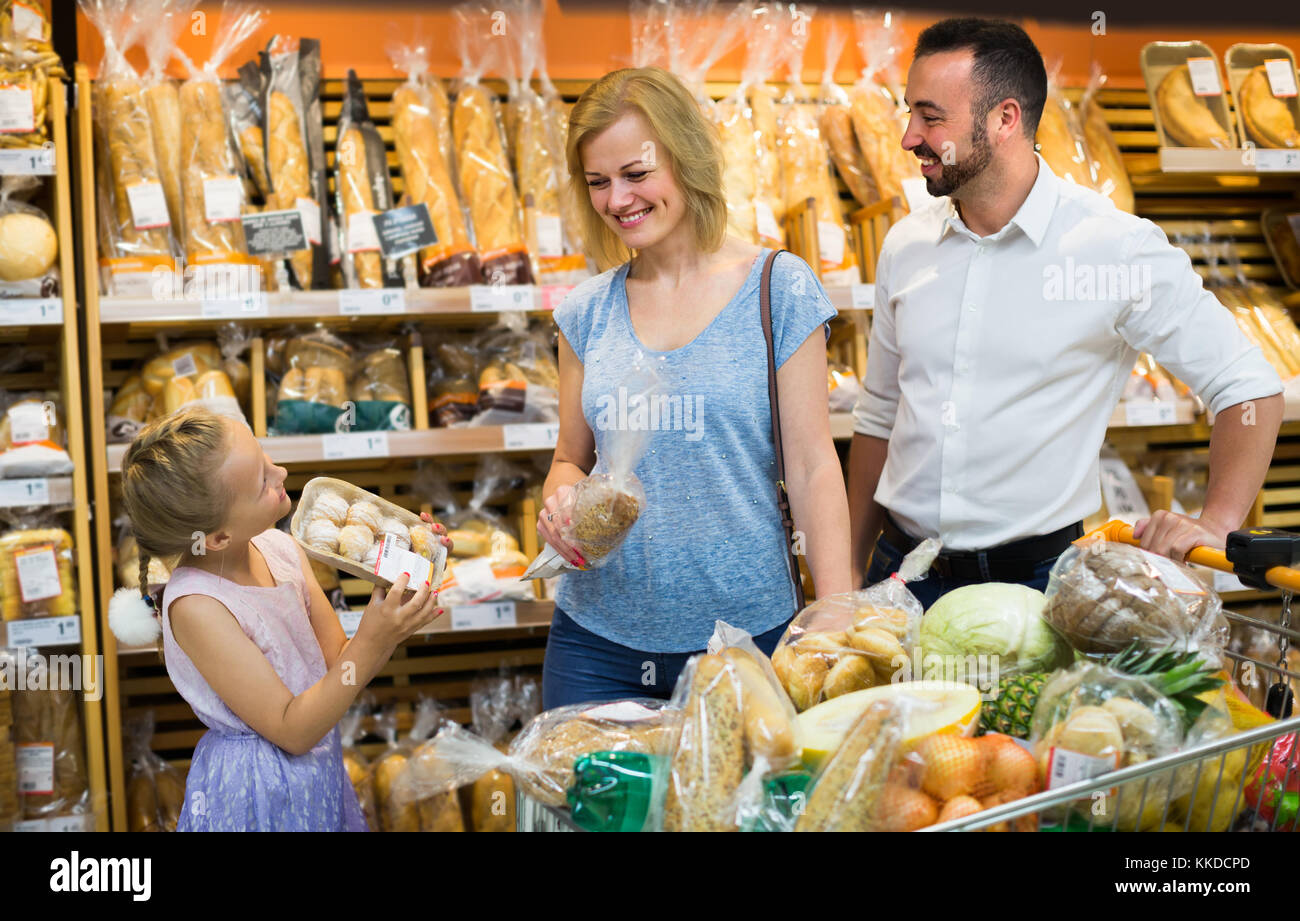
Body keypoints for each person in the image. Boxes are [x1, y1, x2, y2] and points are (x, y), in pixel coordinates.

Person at [848, 19, 1284, 609]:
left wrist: (1218, 521)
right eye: (909, 114)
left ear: (1005, 119)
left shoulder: (1114, 248)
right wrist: (848, 574)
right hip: (899, 574)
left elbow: (1249, 387)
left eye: (930, 117)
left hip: (1035, 584)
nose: (908, 137)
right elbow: (879, 418)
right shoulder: (906, 244)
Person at [538, 66, 852, 709]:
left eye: (636, 174)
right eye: (598, 182)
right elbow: (570, 458)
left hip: (745, 641)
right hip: (596, 644)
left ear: (686, 158)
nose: (617, 200)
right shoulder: (585, 311)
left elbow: (816, 464)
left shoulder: (778, 289)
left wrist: (838, 607)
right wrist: (560, 508)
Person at [115, 408, 448, 831]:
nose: (282, 471)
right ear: (217, 537)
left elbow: (338, 668)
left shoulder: (280, 548)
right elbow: (293, 730)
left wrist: (405, 577)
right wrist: (375, 641)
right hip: (257, 795)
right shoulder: (198, 605)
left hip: (316, 775)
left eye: (267, 458)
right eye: (262, 481)